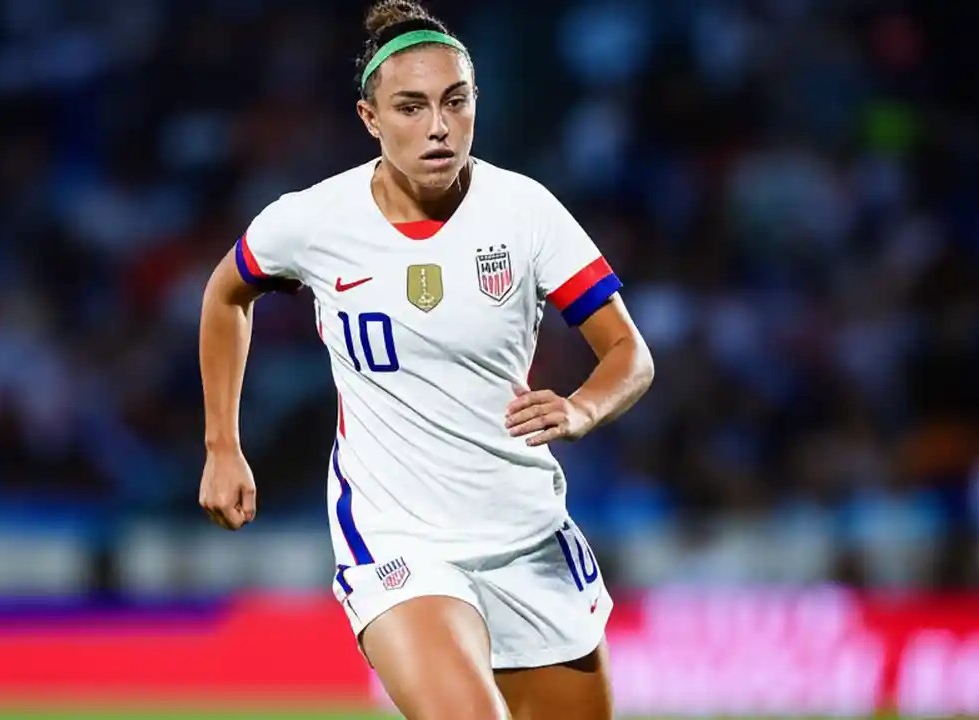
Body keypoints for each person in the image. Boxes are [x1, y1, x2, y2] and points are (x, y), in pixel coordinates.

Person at [198, 1, 654, 717]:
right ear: (370, 118)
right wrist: (223, 444)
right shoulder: (314, 221)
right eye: (411, 107)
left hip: (526, 533)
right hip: (397, 538)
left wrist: (581, 406)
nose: (439, 126)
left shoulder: (525, 212)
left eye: (455, 102)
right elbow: (226, 294)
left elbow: (629, 352)